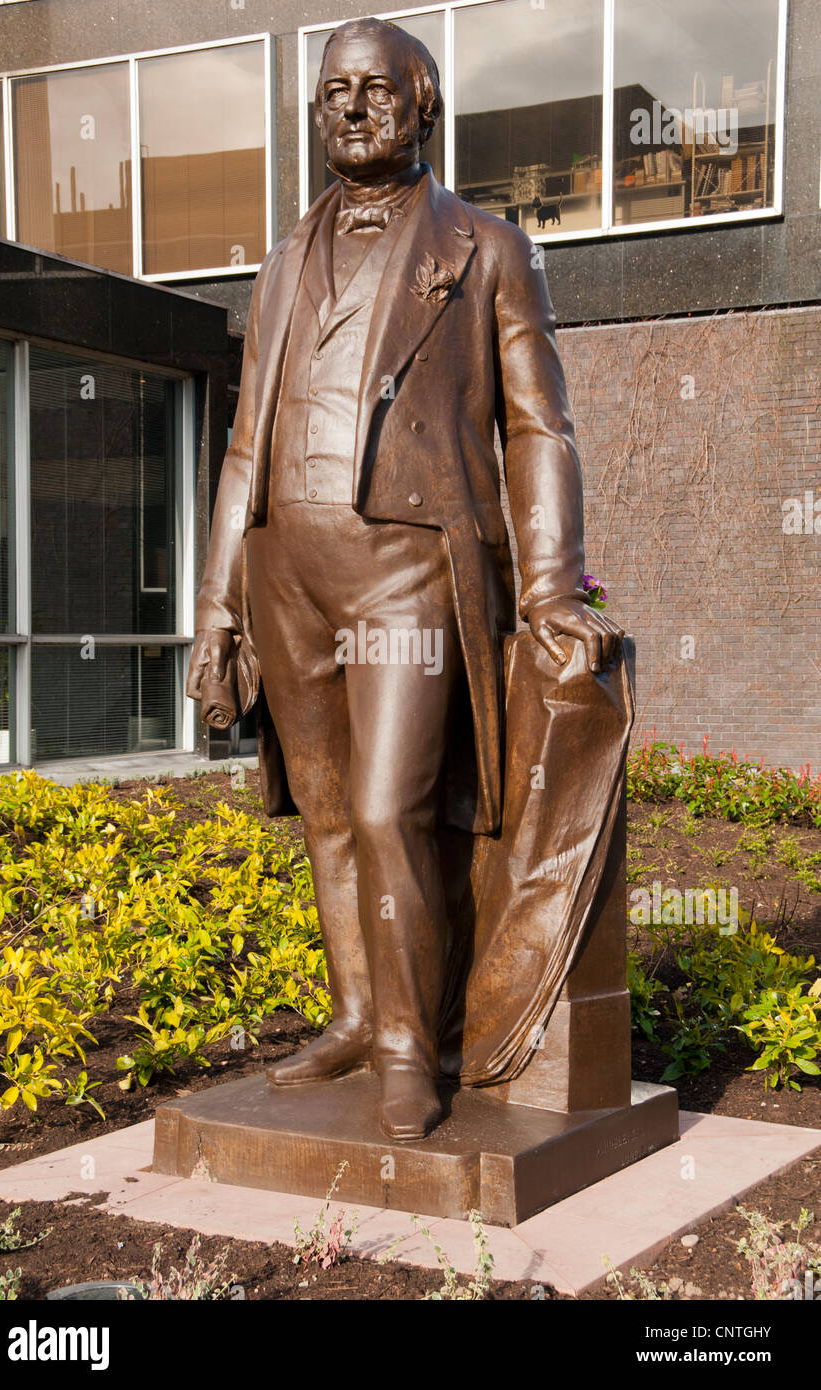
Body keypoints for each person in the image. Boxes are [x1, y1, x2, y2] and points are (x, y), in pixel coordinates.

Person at [186, 17, 619, 1141]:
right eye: (333, 90)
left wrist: (552, 583)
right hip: (286, 565)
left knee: (388, 809)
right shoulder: (282, 258)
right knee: (325, 815)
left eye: (377, 88)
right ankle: (351, 1010)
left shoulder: (483, 247)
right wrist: (214, 606)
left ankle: (404, 1044)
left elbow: (537, 429)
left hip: (406, 567)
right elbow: (241, 447)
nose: (352, 106)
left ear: (424, 106)